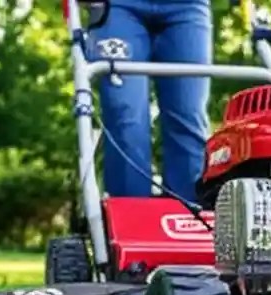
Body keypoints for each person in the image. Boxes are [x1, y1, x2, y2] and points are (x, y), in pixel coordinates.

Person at [87, 0, 213, 204]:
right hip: (119, 7)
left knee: (188, 116)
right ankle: (129, 218)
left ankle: (190, 218)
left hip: (188, 7)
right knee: (125, 118)